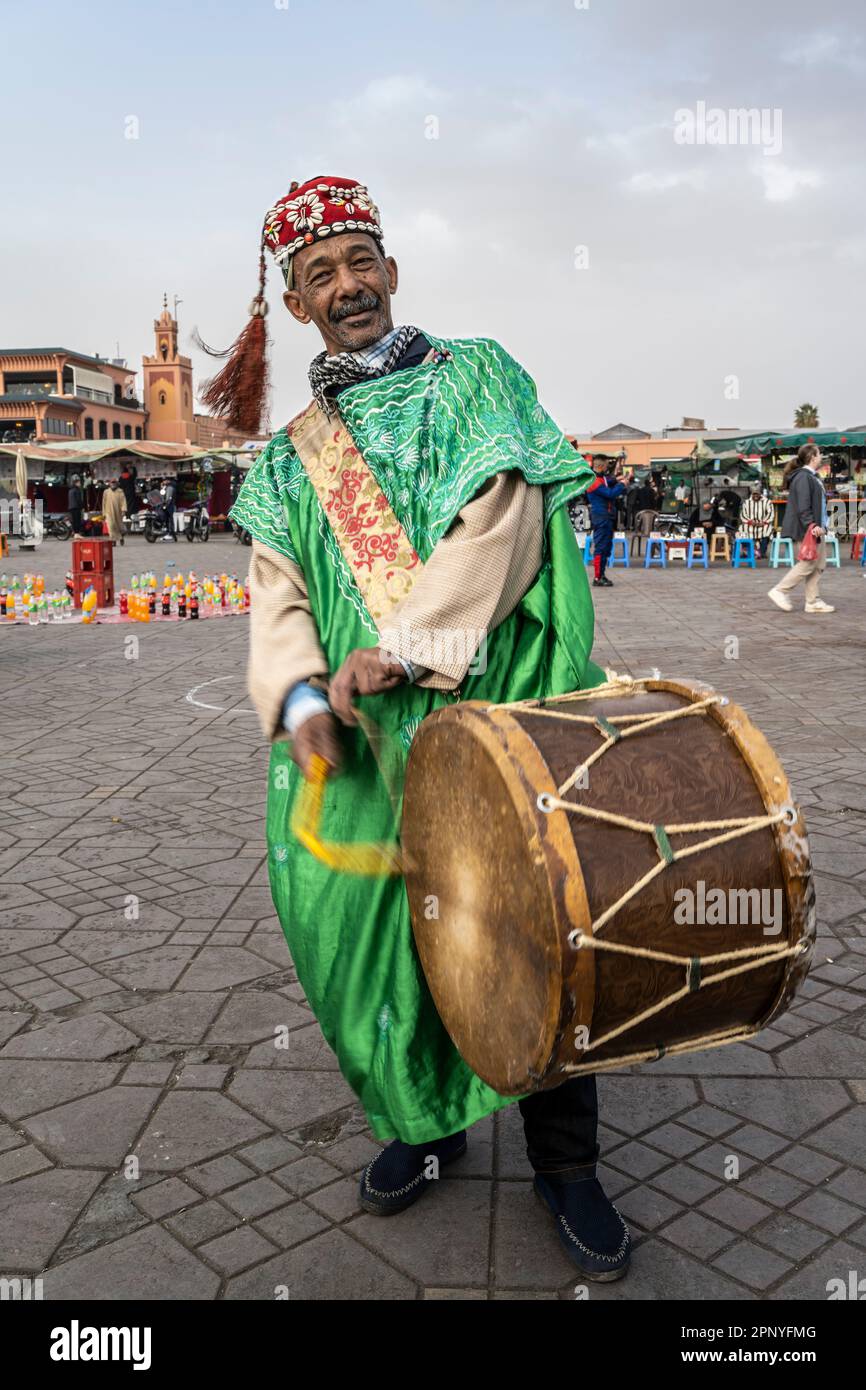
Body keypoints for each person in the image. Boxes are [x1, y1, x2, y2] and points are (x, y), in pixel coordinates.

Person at [226, 174, 631, 1280]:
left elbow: (501, 517)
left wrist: (405, 644)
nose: (347, 284)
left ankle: (564, 1163)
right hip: (366, 742)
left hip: (492, 705)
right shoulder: (291, 452)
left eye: (361, 260)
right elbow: (277, 589)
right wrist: (301, 692)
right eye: (320, 274)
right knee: (379, 930)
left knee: (533, 929)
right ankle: (426, 1122)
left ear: (391, 270)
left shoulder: (476, 376)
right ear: (298, 303)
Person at [768, 444, 834, 614]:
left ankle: (813, 601)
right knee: (808, 562)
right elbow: (803, 506)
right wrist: (812, 525)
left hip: (815, 527)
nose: (821, 457)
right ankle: (780, 590)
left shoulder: (811, 476)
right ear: (812, 457)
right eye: (819, 454)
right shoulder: (803, 477)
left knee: (818, 563)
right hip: (807, 527)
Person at [586, 457, 629, 587]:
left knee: (606, 547)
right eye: (606, 466)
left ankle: (602, 575)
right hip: (601, 517)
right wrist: (622, 484)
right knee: (600, 547)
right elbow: (610, 493)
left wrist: (618, 479)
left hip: (606, 517)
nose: (607, 469)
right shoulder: (593, 481)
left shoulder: (601, 479)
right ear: (601, 467)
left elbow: (609, 481)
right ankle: (597, 577)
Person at [739, 485, 774, 559]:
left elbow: (771, 513)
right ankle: (747, 552)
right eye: (754, 494)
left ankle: (762, 552)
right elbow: (743, 514)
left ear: (760, 494)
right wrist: (750, 522)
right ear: (751, 494)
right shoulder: (746, 502)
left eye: (757, 494)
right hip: (750, 524)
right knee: (742, 529)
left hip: (763, 524)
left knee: (767, 529)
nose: (755, 495)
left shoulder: (767, 502)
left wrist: (764, 522)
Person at [101, 479, 126, 544]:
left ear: (117, 484)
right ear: (109, 484)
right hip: (108, 511)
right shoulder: (106, 492)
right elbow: (103, 502)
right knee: (111, 526)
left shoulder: (120, 491)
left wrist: (123, 510)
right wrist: (104, 513)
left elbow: (123, 501)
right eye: (112, 483)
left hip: (118, 512)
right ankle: (113, 540)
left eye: (114, 483)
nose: (113, 484)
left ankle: (121, 537)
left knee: (119, 526)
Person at [162, 476, 177, 541]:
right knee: (168, 519)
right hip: (170, 505)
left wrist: (165, 504)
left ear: (168, 481)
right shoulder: (168, 487)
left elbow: (168, 498)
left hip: (169, 505)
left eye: (165, 480)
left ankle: (170, 534)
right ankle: (169, 533)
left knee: (169, 519)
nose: (164, 482)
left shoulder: (170, 487)